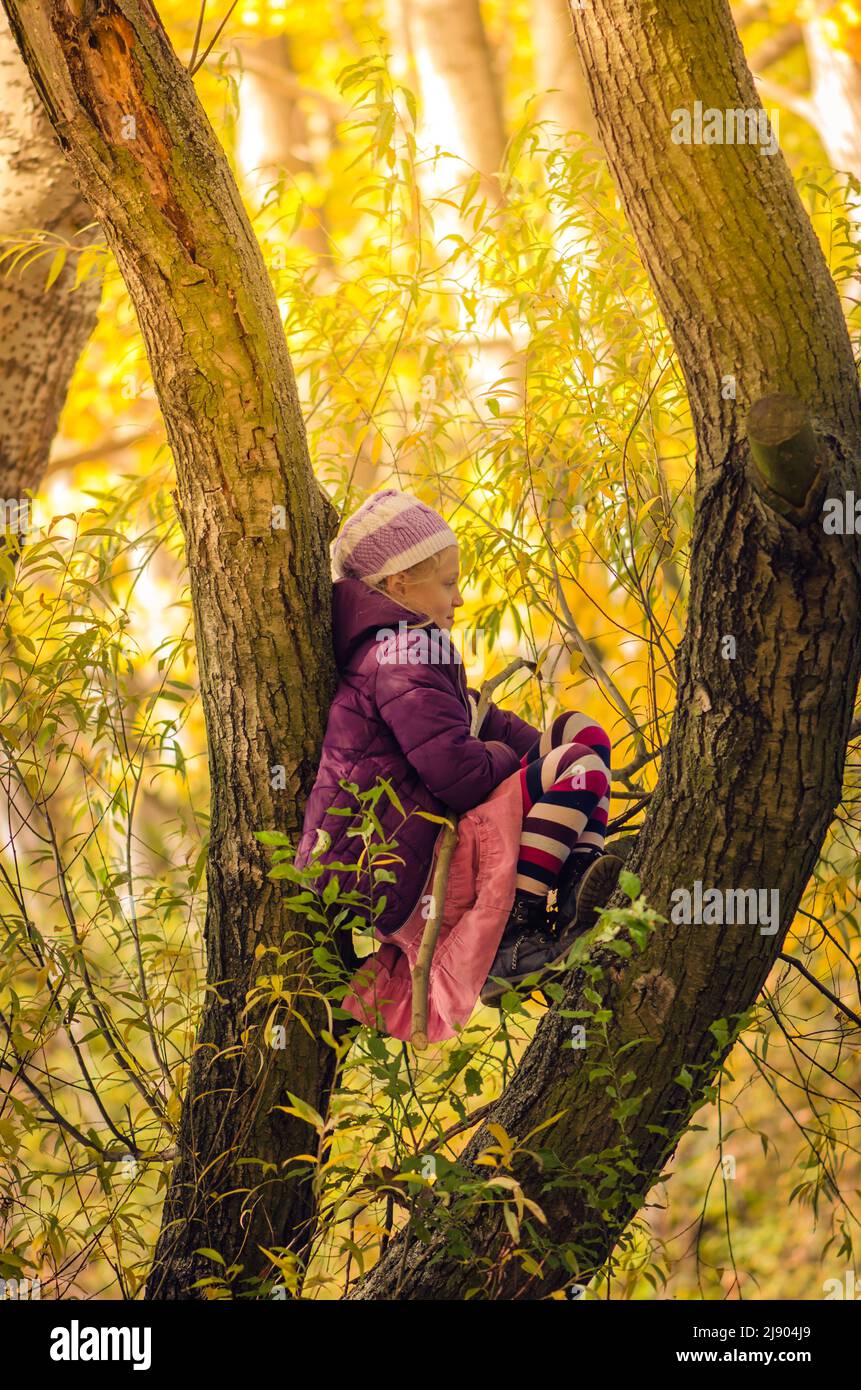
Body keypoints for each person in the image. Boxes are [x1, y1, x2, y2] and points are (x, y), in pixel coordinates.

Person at [293, 487, 623, 1007]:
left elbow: (466, 716)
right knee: (577, 765)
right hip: (401, 866)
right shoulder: (400, 655)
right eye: (448, 584)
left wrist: (537, 749)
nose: (460, 598)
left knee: (582, 736)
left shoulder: (397, 651)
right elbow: (461, 774)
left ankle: (582, 877)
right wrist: (521, 763)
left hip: (414, 847)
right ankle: (516, 933)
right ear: (398, 582)